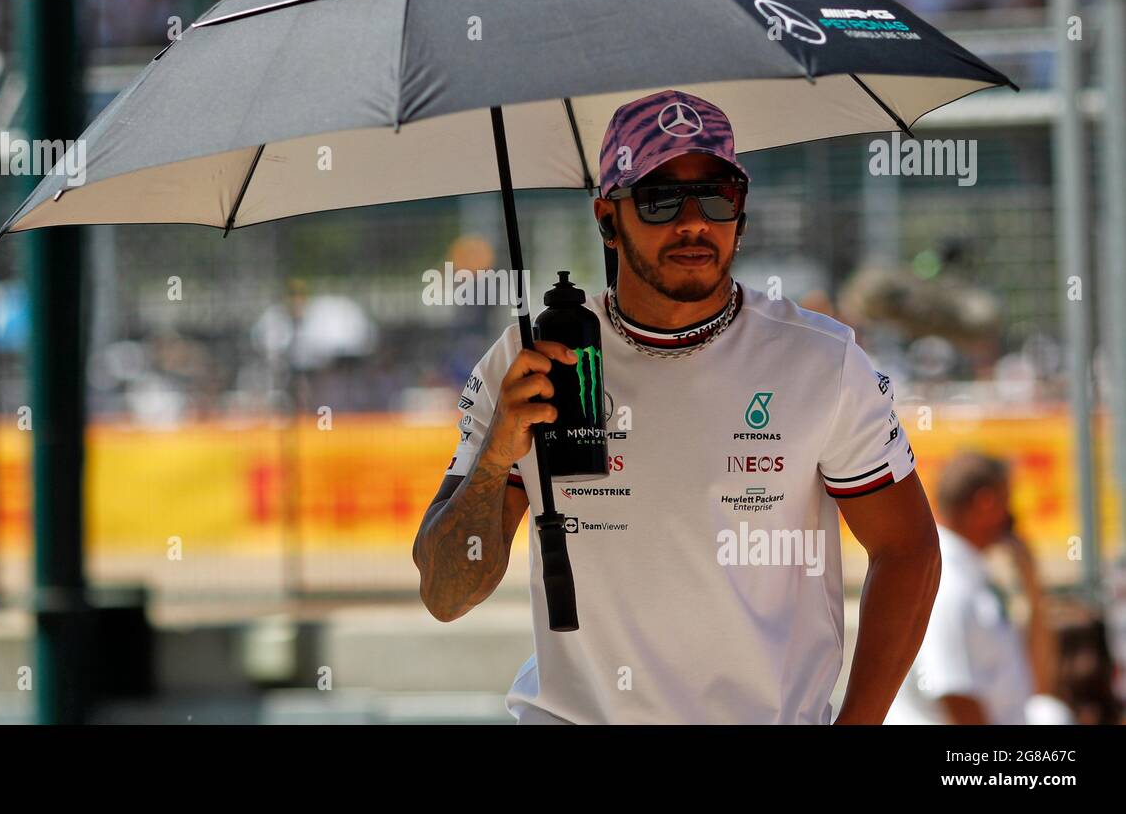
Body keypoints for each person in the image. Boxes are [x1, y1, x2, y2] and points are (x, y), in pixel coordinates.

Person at [412, 89, 941, 724]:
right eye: (660, 200)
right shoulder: (532, 359)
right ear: (607, 216)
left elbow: (910, 551)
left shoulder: (821, 361)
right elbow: (445, 594)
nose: (694, 222)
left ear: (740, 211)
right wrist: (498, 456)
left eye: (717, 197)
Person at [886, 451, 1071, 725]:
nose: (1012, 515)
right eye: (1007, 500)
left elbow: (1037, 684)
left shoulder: (968, 572)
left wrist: (1031, 585)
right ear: (986, 504)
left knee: (1051, 715)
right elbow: (955, 694)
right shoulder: (946, 580)